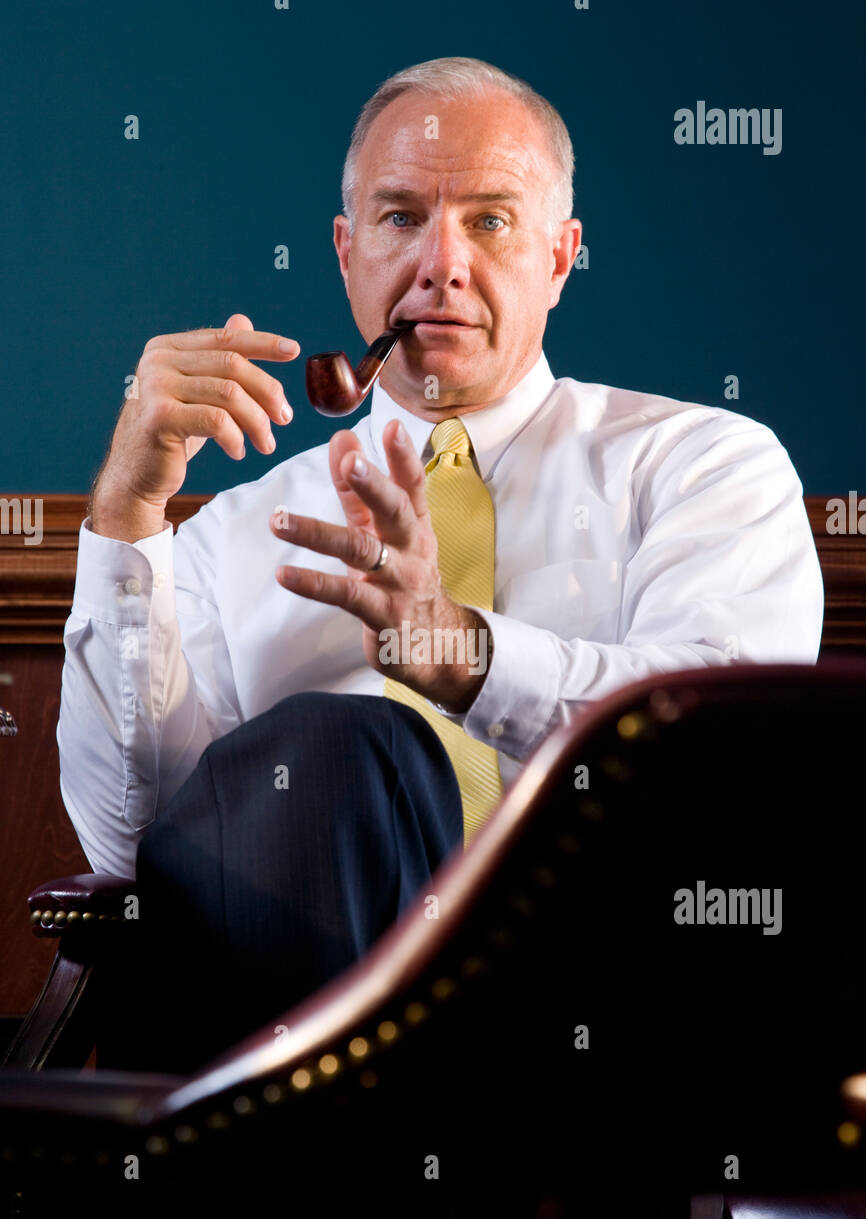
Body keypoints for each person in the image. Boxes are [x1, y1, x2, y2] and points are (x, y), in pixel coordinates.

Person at [57, 57, 823, 1071]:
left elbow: (714, 770)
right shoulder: (225, 536)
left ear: (560, 257)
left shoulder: (700, 465)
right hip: (293, 1053)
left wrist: (462, 654)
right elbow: (131, 849)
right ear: (344, 253)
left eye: (491, 221)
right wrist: (127, 514)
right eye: (400, 217)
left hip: (613, 1021)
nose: (441, 264)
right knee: (332, 749)